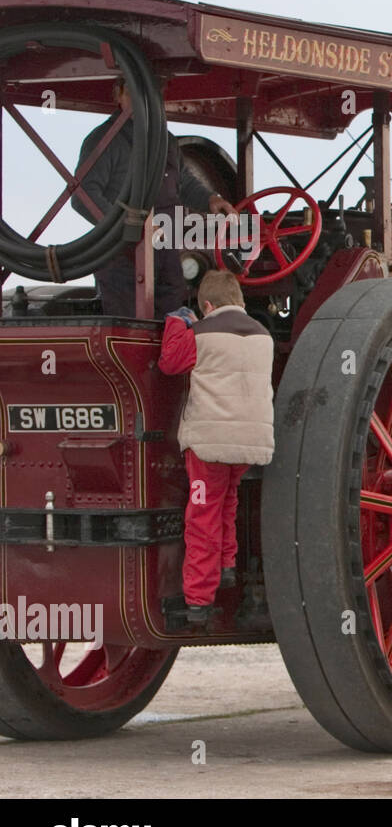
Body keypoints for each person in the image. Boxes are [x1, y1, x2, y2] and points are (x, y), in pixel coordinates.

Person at [158, 270, 274, 624]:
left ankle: (199, 600)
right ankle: (226, 566)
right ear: (239, 300)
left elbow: (170, 362)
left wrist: (178, 323)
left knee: (202, 517)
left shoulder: (201, 332)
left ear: (207, 305)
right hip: (251, 439)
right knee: (227, 504)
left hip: (209, 441)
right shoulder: (263, 336)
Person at [73, 76, 235, 319]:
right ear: (118, 94)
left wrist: (212, 199)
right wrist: (127, 226)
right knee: (130, 326)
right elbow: (83, 196)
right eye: (135, 91)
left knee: (171, 323)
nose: (143, 100)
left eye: (151, 93)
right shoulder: (104, 140)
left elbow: (184, 182)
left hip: (166, 252)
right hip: (122, 257)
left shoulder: (166, 140)